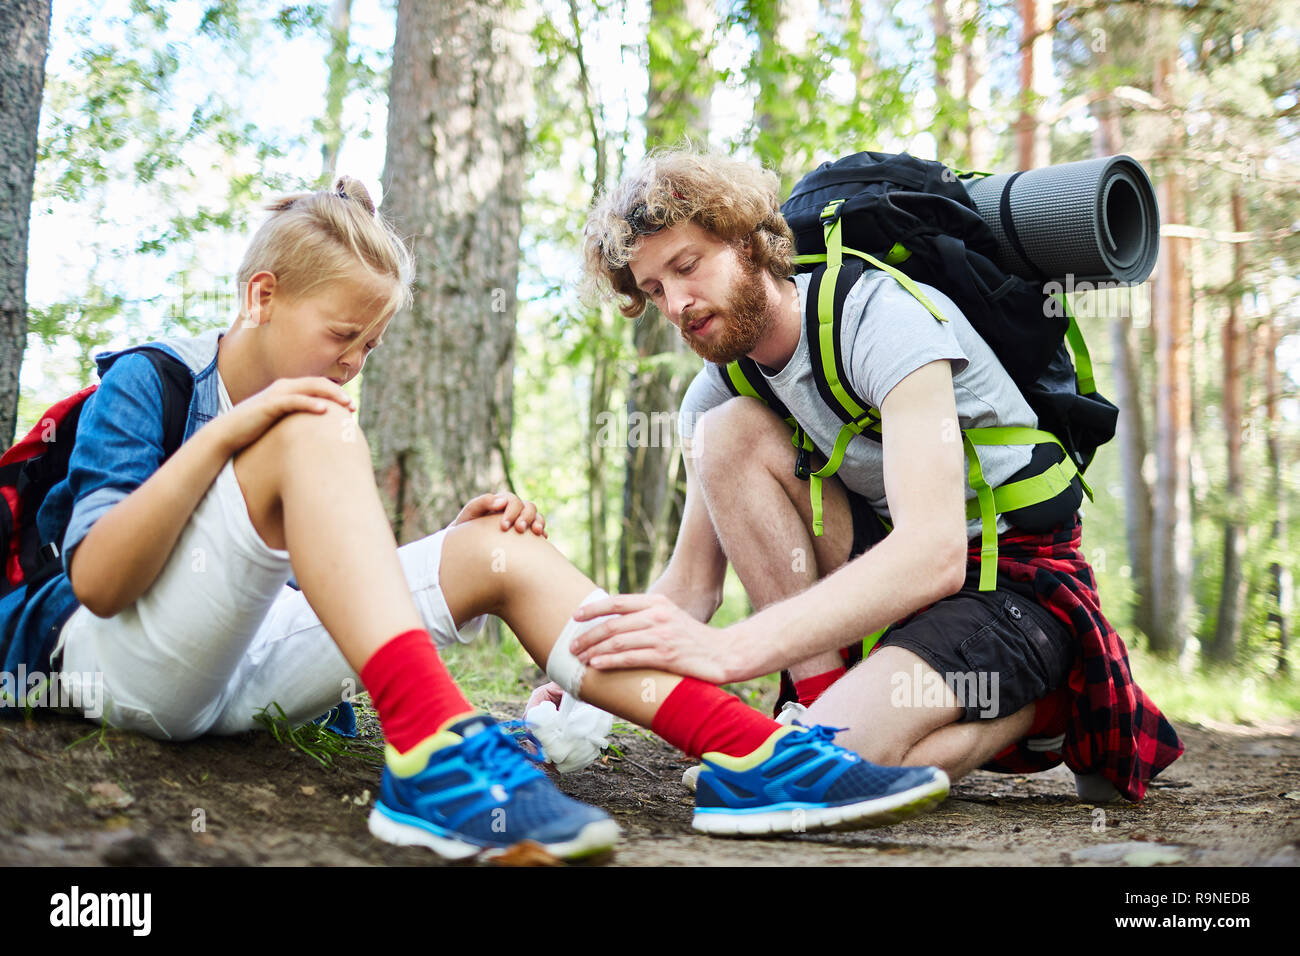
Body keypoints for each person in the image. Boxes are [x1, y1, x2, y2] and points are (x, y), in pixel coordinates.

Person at [0, 176, 948, 863]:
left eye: (370, 346)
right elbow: (100, 584)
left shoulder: (310, 414)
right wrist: (235, 434)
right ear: (260, 298)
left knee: (497, 542)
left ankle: (754, 752)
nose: (353, 366)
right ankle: (432, 758)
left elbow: (282, 588)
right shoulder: (154, 382)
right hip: (113, 664)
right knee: (309, 434)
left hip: (236, 674)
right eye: (342, 338)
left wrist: (444, 554)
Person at [574, 149, 1184, 803]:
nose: (676, 304)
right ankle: (814, 714)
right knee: (728, 433)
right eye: (654, 289)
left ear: (749, 244)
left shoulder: (877, 318)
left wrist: (734, 651)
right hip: (888, 579)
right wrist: (585, 668)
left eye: (687, 266)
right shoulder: (721, 384)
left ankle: (1043, 705)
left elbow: (935, 554)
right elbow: (691, 586)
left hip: (1008, 582)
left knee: (839, 766)